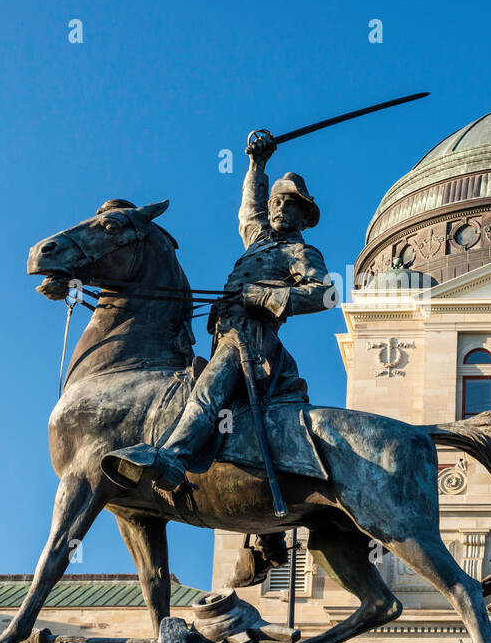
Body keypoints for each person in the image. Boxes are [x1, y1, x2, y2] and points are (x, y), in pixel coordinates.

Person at [102, 130, 332, 587]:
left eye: (290, 204)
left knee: (207, 395)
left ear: (304, 213)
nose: (280, 209)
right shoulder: (260, 239)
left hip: (253, 339)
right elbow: (249, 206)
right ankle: (262, 528)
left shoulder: (300, 251)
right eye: (278, 202)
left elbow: (324, 294)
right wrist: (257, 164)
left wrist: (264, 295)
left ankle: (171, 458)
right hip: (223, 332)